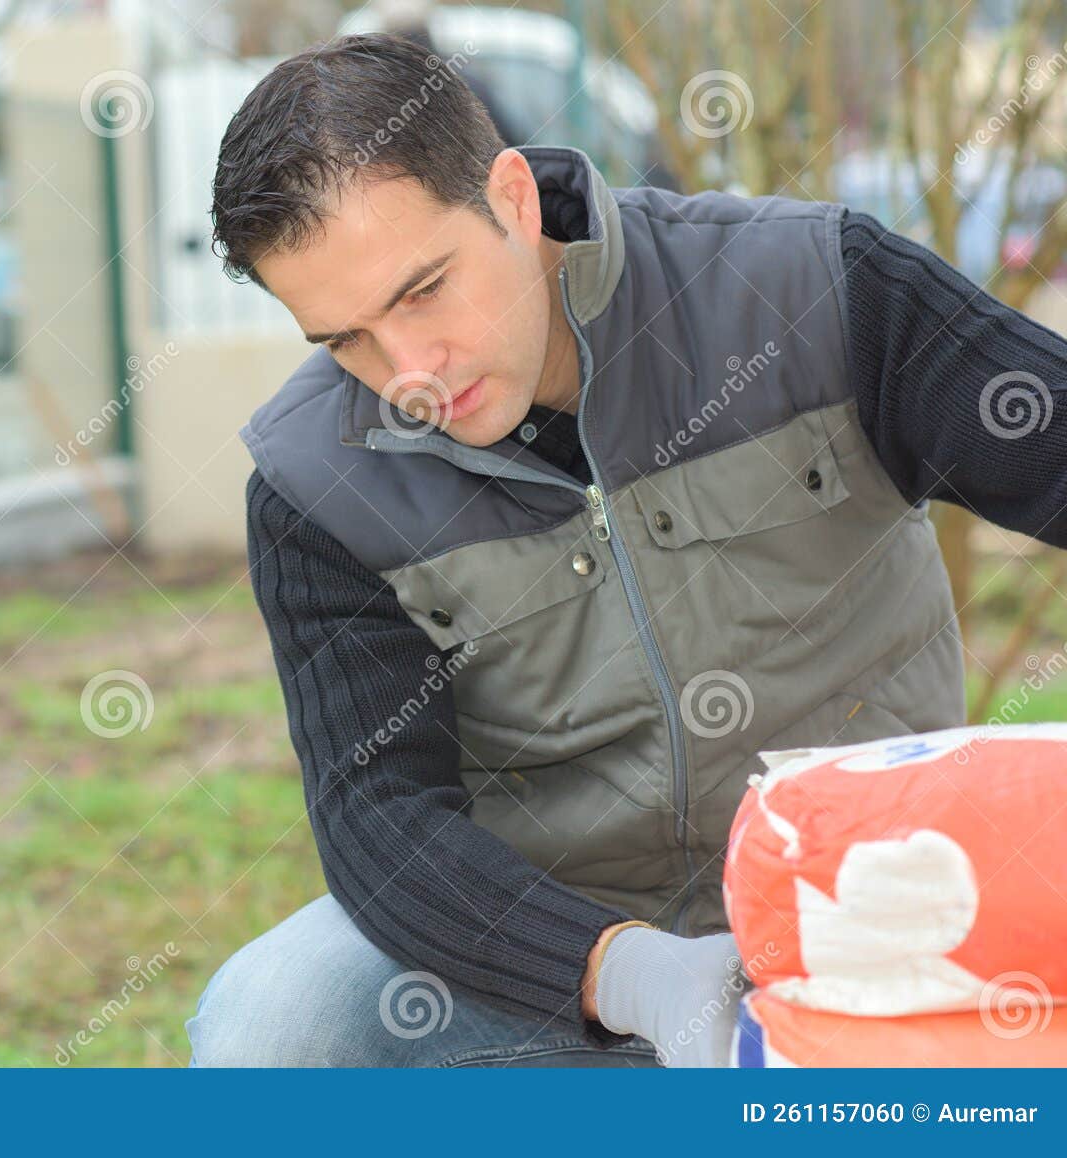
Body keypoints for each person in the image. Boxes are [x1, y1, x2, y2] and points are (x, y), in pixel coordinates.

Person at [187, 33, 1067, 1067]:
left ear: (511, 197)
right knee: (273, 1019)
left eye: (422, 289)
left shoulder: (811, 289)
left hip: (868, 903)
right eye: (345, 339)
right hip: (543, 958)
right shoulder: (313, 487)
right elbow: (379, 828)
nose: (409, 371)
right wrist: (626, 974)